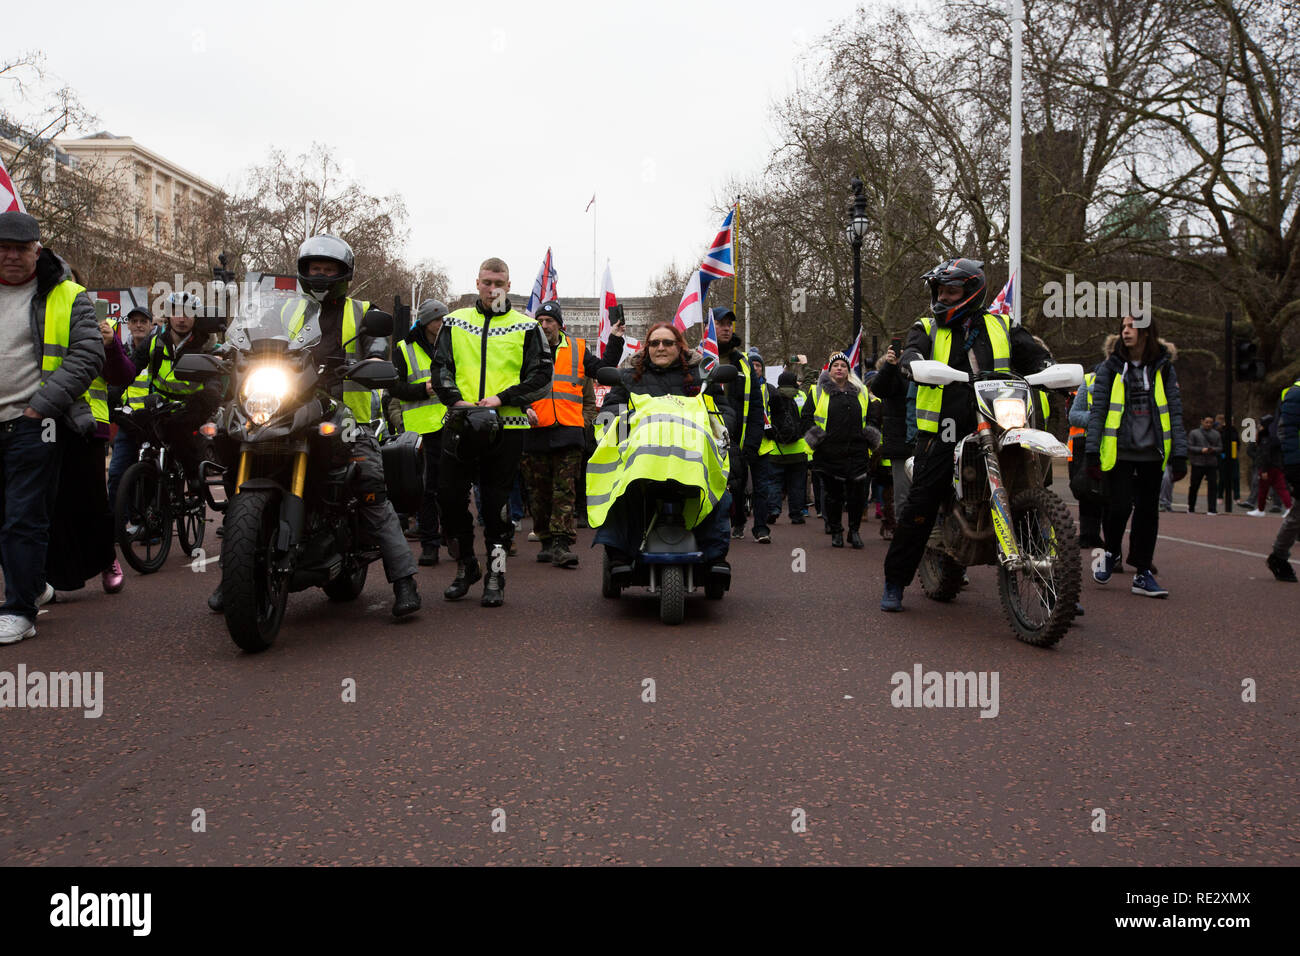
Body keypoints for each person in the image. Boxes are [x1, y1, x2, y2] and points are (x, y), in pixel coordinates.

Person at [210, 234, 421, 617]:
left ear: (344, 274)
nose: (321, 275)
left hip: (348, 415)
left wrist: (370, 361)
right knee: (232, 446)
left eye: (329, 269)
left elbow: (377, 348)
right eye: (314, 269)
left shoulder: (363, 312)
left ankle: (404, 580)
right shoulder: (286, 311)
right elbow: (252, 342)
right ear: (303, 272)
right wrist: (227, 352)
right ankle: (234, 575)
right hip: (287, 404)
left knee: (369, 481)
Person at [880, 258, 1052, 611]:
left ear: (972, 293)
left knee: (1031, 494)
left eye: (951, 291)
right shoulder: (926, 327)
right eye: (940, 290)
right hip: (944, 430)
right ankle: (895, 581)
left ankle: (1050, 584)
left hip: (1000, 424)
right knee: (920, 505)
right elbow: (913, 352)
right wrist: (911, 363)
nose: (943, 297)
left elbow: (1034, 357)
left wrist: (1049, 371)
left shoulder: (1002, 325)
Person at [0, 211, 104, 645]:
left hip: (35, 423)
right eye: (2, 248)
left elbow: (87, 355)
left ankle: (20, 609)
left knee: (23, 518)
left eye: (20, 249)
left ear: (37, 251)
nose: (10, 256)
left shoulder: (70, 295)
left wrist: (39, 408)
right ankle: (35, 584)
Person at [432, 257, 552, 607]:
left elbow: (541, 377)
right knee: (449, 498)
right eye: (486, 282)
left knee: (497, 508)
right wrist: (456, 401)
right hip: (460, 422)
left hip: (506, 426)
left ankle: (496, 575)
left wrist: (502, 399)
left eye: (498, 282)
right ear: (477, 282)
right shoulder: (454, 322)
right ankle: (467, 565)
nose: (492, 288)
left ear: (508, 285)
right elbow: (441, 368)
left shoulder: (527, 327)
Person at [595, 322, 732, 565]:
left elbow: (721, 412)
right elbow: (610, 413)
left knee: (720, 493)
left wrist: (722, 431)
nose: (661, 347)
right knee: (618, 490)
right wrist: (618, 433)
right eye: (654, 343)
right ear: (646, 348)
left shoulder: (701, 377)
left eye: (668, 342)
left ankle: (713, 557)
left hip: (693, 457)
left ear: (679, 347)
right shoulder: (627, 378)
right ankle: (619, 554)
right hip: (640, 461)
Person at [1085, 315, 1186, 597]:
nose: (1125, 332)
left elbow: (1175, 412)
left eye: (1131, 327)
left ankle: (1142, 572)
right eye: (1123, 327)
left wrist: (1180, 454)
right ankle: (1110, 552)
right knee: (1118, 507)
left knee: (1147, 513)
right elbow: (1099, 411)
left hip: (1153, 452)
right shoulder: (1110, 367)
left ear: (1146, 332)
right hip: (1120, 452)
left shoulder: (1164, 369)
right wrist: (1092, 452)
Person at [521, 299, 618, 567]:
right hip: (535, 430)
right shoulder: (524, 350)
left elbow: (604, 370)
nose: (544, 325)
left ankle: (562, 544)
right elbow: (511, 385)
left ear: (559, 325)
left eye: (549, 321)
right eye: (539, 321)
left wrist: (617, 340)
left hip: (568, 432)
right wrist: (524, 407)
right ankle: (546, 540)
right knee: (539, 494)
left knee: (564, 491)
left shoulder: (578, 349)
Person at [390, 299, 449, 566]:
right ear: (426, 322)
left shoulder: (453, 345)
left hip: (449, 425)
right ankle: (430, 544)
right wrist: (422, 390)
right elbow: (394, 389)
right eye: (437, 320)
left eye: (444, 319)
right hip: (419, 429)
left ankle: (452, 535)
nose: (441, 324)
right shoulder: (404, 349)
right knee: (426, 490)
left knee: (449, 488)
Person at [802, 351, 878, 549]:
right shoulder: (817, 391)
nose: (839, 368)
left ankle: (854, 531)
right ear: (829, 369)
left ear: (848, 370)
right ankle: (836, 531)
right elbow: (807, 417)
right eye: (835, 365)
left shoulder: (861, 391)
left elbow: (872, 416)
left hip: (857, 452)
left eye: (843, 366)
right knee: (833, 496)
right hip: (829, 453)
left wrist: (869, 435)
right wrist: (817, 439)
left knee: (858, 496)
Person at [703, 308, 764, 540]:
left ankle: (738, 521)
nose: (727, 328)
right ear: (711, 326)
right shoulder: (700, 358)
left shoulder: (744, 363)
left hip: (736, 434)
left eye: (730, 324)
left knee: (736, 484)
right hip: (706, 430)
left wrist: (752, 442)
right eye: (721, 323)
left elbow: (757, 406)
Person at [869, 343, 913, 539]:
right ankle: (902, 537)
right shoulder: (892, 378)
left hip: (924, 443)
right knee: (899, 494)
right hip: (898, 446)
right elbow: (880, 387)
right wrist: (890, 365)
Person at [759, 370, 810, 525]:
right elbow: (806, 419)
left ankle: (774, 509)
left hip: (776, 448)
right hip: (798, 448)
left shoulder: (772, 396)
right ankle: (796, 514)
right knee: (797, 484)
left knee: (774, 482)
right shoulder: (801, 396)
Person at [1265, 375, 1300, 580]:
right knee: (1297, 514)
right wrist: (1294, 465)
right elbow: (1287, 431)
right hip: (1298, 461)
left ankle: (1279, 555)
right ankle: (1279, 556)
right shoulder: (1295, 393)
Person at [1067, 367, 1104, 546]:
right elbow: (1073, 416)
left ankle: (1095, 535)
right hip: (1081, 443)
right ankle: (1088, 534)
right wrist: (1098, 418)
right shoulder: (1087, 381)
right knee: (1085, 490)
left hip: (1104, 443)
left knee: (1101, 491)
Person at [1247, 413, 1294, 516]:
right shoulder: (1276, 437)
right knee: (1279, 488)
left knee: (1265, 489)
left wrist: (1264, 470)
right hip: (1276, 466)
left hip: (1268, 468)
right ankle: (1287, 507)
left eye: (1261, 424)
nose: (1259, 426)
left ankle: (1261, 510)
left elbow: (1265, 455)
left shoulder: (1265, 439)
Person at [1186, 415, 1222, 514]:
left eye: (1211, 422)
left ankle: (1212, 508)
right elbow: (1189, 446)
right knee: (1194, 486)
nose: (1208, 424)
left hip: (1211, 463)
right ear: (1202, 421)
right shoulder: (1194, 433)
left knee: (1213, 487)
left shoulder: (1216, 434)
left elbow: (1220, 448)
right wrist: (1201, 450)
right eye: (1207, 422)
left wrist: (1212, 450)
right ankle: (1191, 507)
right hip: (1198, 462)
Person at [1214, 413, 1240, 511]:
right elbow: (1220, 443)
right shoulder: (1221, 431)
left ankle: (1236, 497)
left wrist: (1236, 450)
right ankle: (1220, 496)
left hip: (1233, 456)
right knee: (1222, 478)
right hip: (1223, 457)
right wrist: (1222, 454)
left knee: (1235, 477)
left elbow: (1237, 442)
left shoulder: (1234, 431)